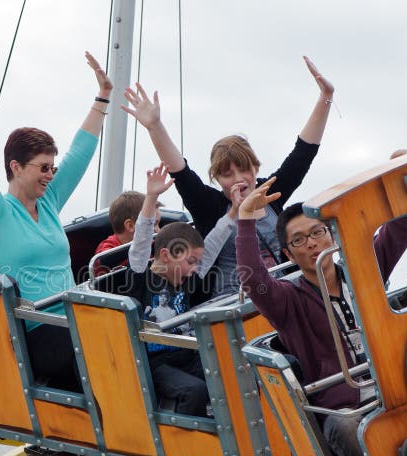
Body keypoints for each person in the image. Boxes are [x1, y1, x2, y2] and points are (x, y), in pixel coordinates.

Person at [235, 178, 407, 456]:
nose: (312, 242)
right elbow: (254, 280)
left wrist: (400, 182)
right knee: (345, 427)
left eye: (317, 232)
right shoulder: (289, 300)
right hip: (346, 408)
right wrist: (245, 222)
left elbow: (398, 230)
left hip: (391, 386)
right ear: (289, 255)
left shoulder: (363, 271)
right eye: (299, 240)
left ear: (331, 236)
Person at [0, 51, 112, 390]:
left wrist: (102, 98)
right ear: (15, 167)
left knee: (125, 341)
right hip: (36, 331)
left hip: (73, 319)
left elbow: (79, 154)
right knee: (97, 354)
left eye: (52, 167)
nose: (51, 174)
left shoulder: (50, 200)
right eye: (43, 167)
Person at [122, 56, 335, 296]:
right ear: (216, 179)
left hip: (283, 297)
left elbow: (302, 154)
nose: (238, 179)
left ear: (255, 168)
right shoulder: (209, 205)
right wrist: (154, 126)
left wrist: (326, 97)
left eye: (244, 169)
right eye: (226, 174)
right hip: (230, 307)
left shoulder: (270, 192)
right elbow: (179, 170)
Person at [121, 164, 236, 416]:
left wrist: (235, 211)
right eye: (190, 262)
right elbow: (140, 242)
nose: (196, 268)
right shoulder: (142, 275)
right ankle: (182, 445)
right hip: (155, 362)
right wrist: (151, 197)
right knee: (195, 391)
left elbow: (214, 241)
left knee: (232, 372)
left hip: (186, 354)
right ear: (166, 255)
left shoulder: (187, 278)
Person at [92, 190, 162, 276]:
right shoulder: (108, 245)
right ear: (130, 226)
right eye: (153, 224)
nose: (158, 230)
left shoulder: (151, 244)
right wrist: (139, 246)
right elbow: (104, 260)